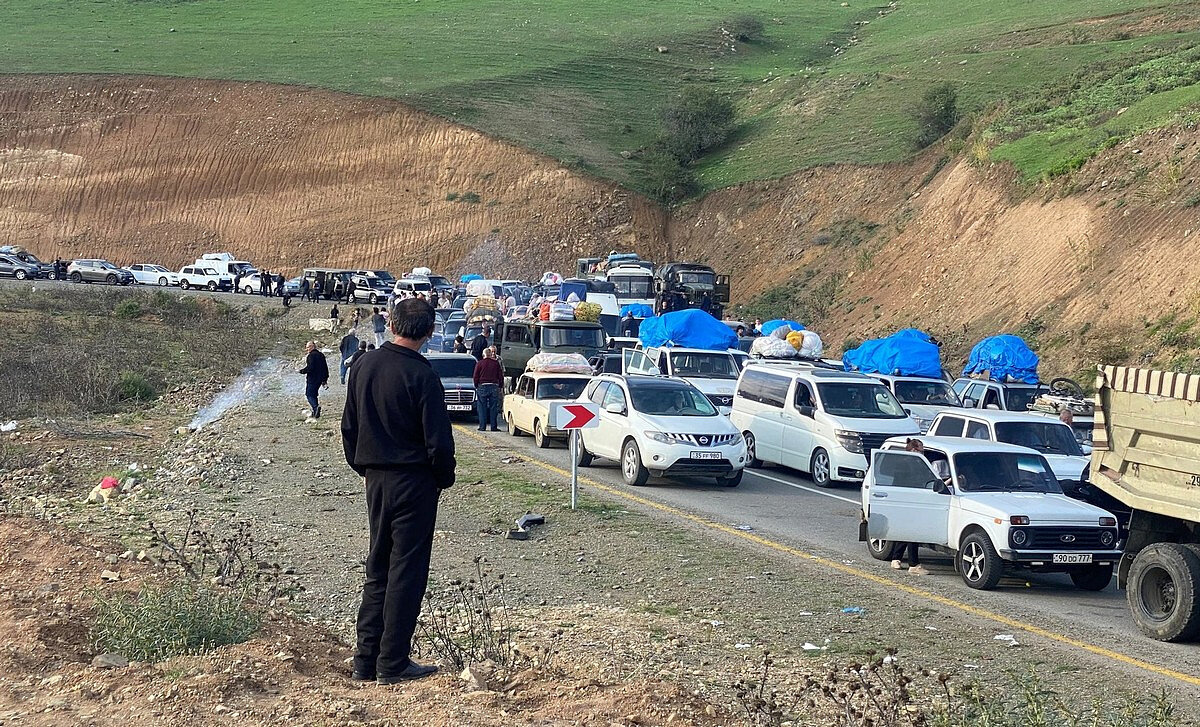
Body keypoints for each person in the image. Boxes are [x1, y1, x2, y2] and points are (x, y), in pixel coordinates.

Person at [341, 297, 453, 684]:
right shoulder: (423, 375)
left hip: (375, 478)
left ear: (391, 325)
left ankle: (365, 660)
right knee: (406, 570)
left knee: (378, 567)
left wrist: (364, 468)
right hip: (414, 481)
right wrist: (441, 479)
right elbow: (439, 442)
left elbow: (349, 426)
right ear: (430, 331)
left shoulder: (363, 365)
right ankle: (392, 663)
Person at [891, 439, 932, 576]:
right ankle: (914, 564)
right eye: (922, 451)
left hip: (905, 500)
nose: (923, 453)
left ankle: (896, 558)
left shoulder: (902, 463)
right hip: (911, 500)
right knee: (913, 533)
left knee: (905, 530)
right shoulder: (913, 464)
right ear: (914, 450)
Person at [472, 347, 504, 432]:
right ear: (490, 354)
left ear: (483, 355)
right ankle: (493, 426)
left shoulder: (480, 363)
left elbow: (475, 376)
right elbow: (500, 375)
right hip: (494, 386)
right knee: (493, 407)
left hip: (482, 386)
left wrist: (476, 385)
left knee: (482, 407)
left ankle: (482, 426)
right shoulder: (496, 363)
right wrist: (500, 385)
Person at [299, 341, 329, 419]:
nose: (307, 349)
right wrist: (325, 379)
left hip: (313, 378)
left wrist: (302, 371)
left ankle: (315, 407)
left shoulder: (311, 356)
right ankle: (315, 411)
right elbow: (325, 367)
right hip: (321, 378)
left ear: (312, 347)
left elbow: (310, 368)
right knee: (314, 394)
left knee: (309, 394)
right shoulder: (321, 355)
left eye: (308, 347)